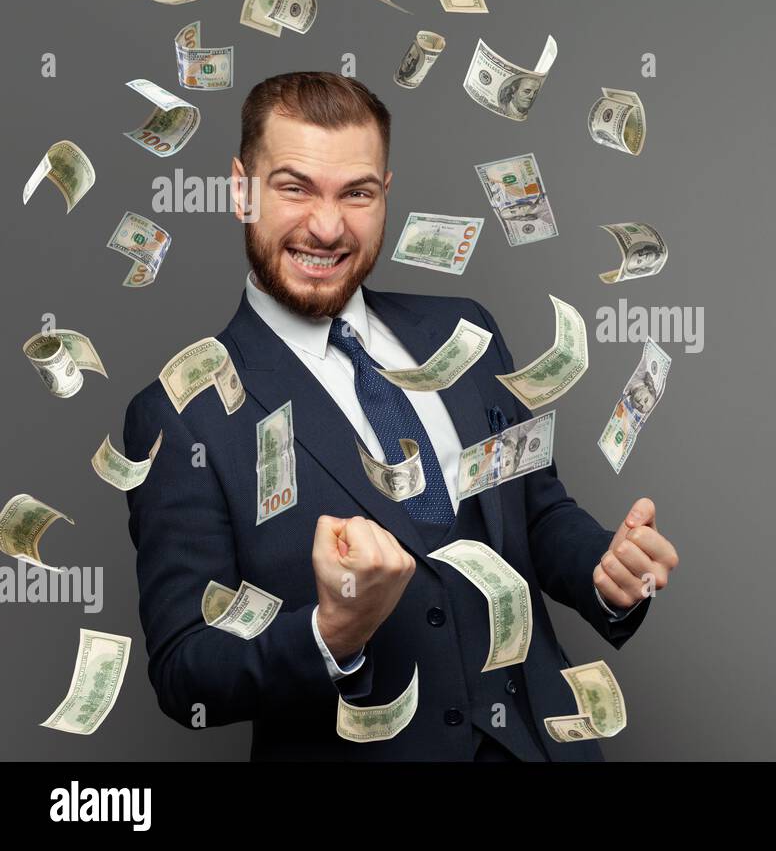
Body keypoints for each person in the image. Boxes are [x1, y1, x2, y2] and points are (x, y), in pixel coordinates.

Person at [122, 72, 678, 761]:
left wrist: (605, 569)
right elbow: (184, 671)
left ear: (384, 192)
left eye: (355, 193)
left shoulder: (464, 334)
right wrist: (333, 632)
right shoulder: (183, 417)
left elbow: (535, 510)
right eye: (295, 187)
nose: (327, 227)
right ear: (241, 189)